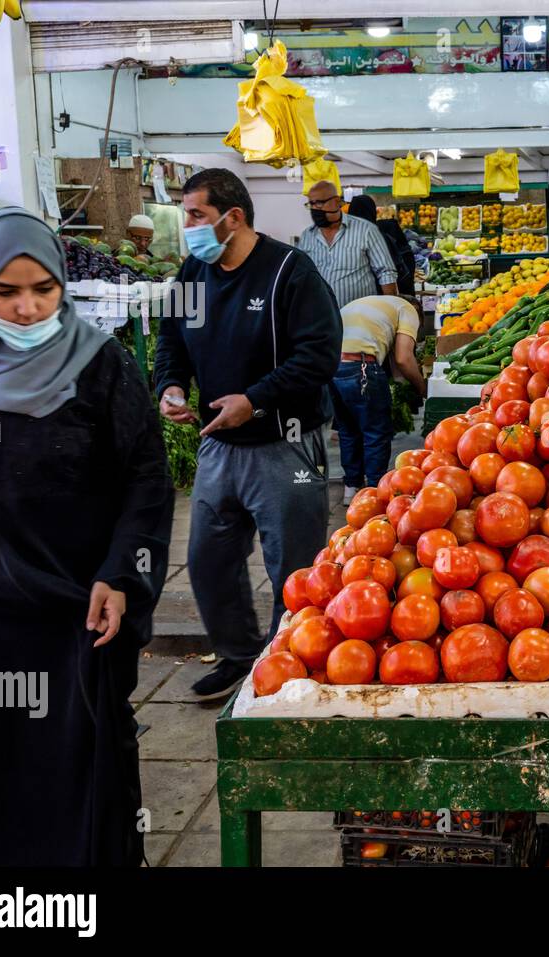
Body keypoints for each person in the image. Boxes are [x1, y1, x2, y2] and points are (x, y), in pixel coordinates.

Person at [0, 208, 173, 865]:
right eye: (6, 291)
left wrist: (123, 575)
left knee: (78, 776)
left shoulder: (101, 367)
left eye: (43, 289)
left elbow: (145, 481)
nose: (26, 308)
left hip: (76, 611)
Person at [155, 168, 342, 698]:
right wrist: (170, 386)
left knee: (294, 571)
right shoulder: (192, 273)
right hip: (218, 444)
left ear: (233, 218)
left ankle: (290, 667)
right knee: (208, 563)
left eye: (196, 215)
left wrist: (255, 399)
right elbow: (172, 339)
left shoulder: (289, 272)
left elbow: (319, 356)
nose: (187, 225)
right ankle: (239, 658)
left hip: (284, 446)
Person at [334, 295, 427, 503]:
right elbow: (404, 358)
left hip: (331, 367)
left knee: (348, 430)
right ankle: (375, 493)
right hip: (362, 367)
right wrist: (422, 387)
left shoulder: (373, 305)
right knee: (375, 432)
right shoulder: (408, 309)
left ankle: (351, 489)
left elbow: (396, 365)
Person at [296, 181, 398, 303]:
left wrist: (391, 309)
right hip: (321, 315)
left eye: (319, 203)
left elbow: (386, 272)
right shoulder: (307, 236)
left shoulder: (366, 230)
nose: (314, 209)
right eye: (311, 204)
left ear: (336, 202)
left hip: (360, 315)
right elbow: (301, 275)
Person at [347, 194, 417, 297]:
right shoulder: (379, 236)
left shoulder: (345, 239)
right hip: (382, 297)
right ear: (372, 212)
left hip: (354, 297)